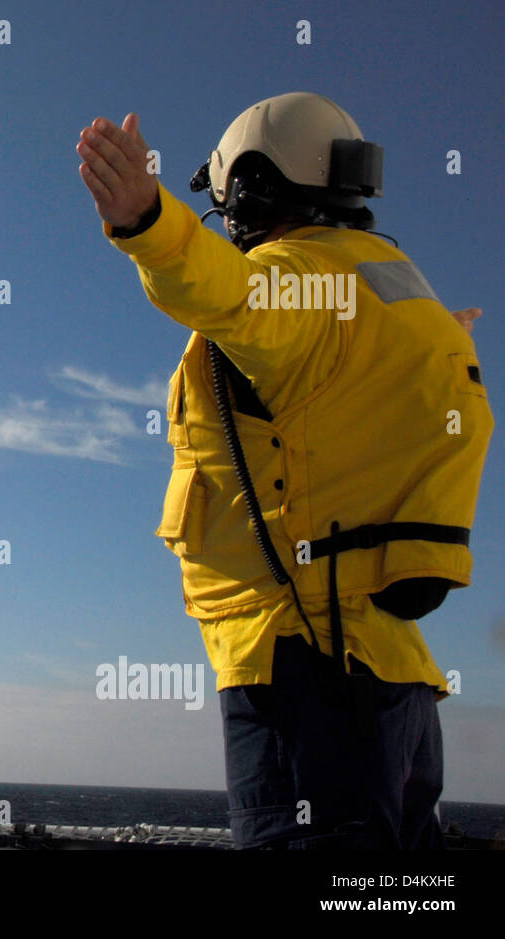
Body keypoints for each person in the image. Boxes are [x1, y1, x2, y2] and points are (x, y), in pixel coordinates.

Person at [76, 92, 492, 849]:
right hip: (394, 675)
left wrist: (148, 221)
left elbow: (225, 292)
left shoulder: (299, 285)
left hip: (302, 667)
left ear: (253, 188)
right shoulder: (395, 291)